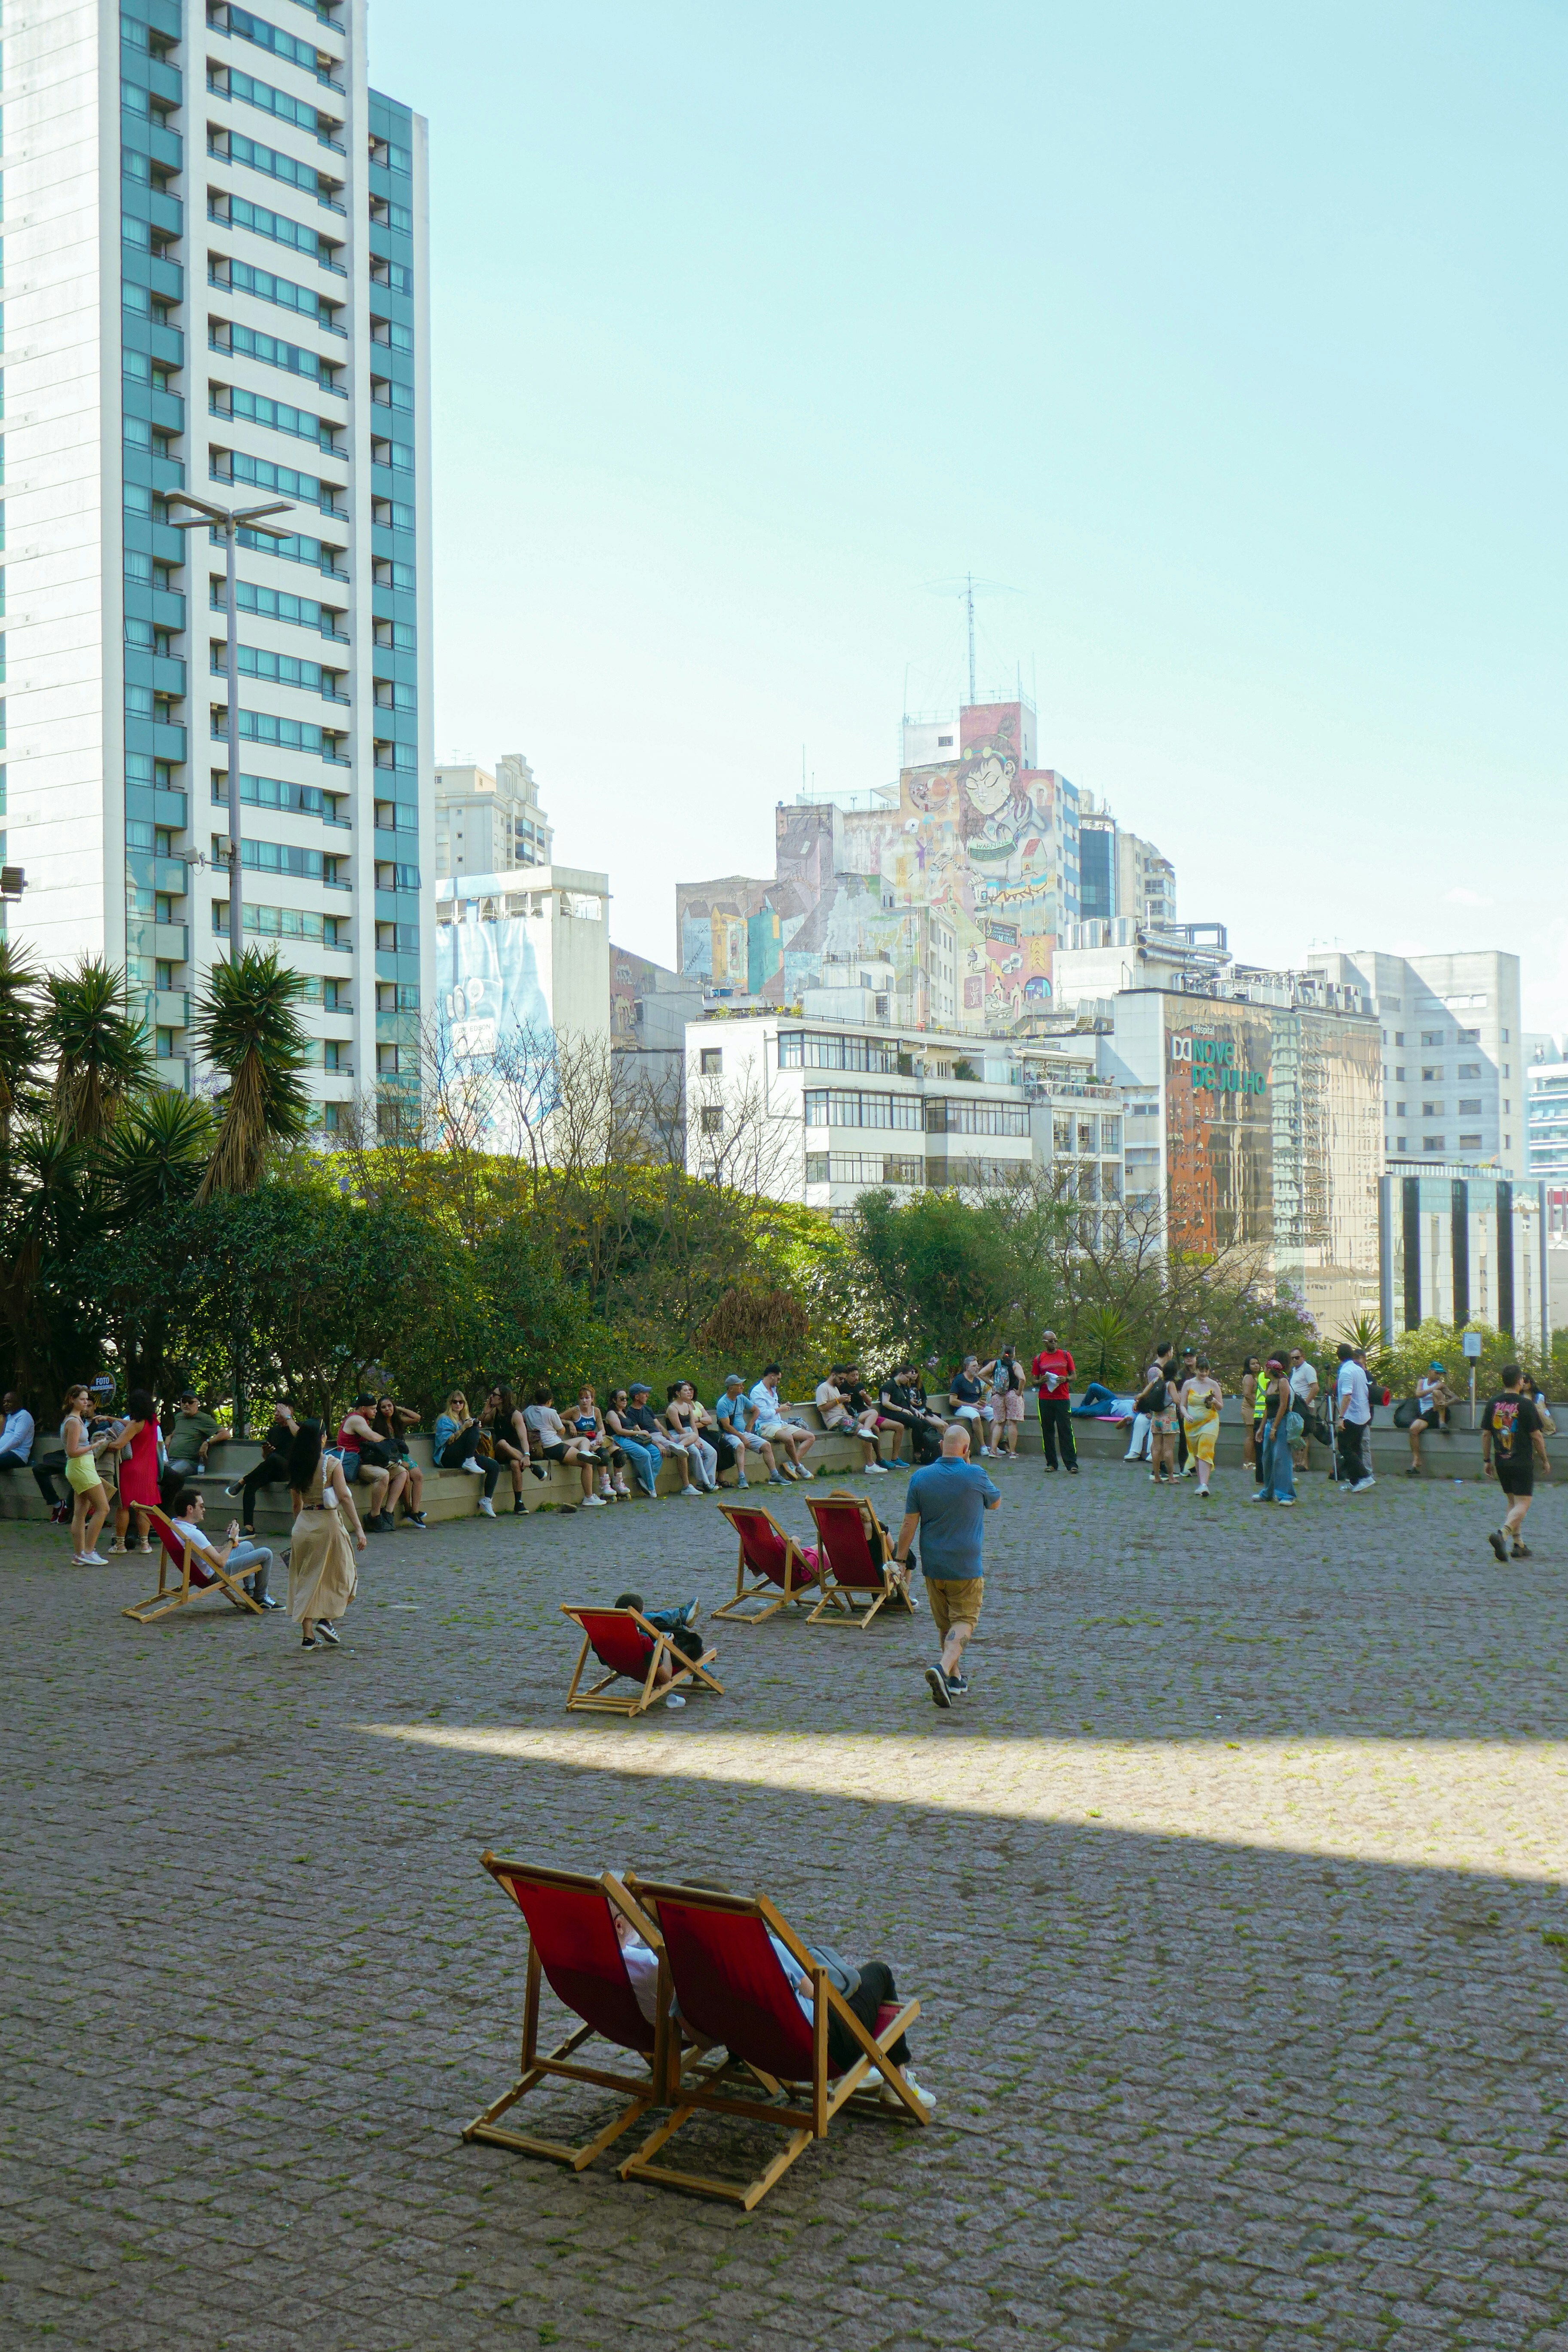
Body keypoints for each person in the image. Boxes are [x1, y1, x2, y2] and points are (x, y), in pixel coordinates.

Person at [893, 1423, 1000, 1709]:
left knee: (945, 1624)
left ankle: (955, 1679)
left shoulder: (920, 1477)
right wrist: (970, 1466)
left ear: (941, 1445)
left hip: (933, 1566)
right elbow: (996, 1503)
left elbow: (908, 1524)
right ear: (966, 1450)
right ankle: (942, 1669)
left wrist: (901, 1561)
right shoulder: (975, 1474)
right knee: (965, 1620)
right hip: (965, 1565)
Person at [286, 1418, 366, 1651]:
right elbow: (345, 1497)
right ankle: (327, 1619)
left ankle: (309, 1635)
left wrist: (300, 1526)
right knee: (344, 1572)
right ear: (322, 1439)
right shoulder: (331, 1464)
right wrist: (359, 1529)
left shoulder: (296, 1465)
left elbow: (295, 1506)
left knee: (307, 1579)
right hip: (327, 1522)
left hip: (303, 1525)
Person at [168, 1486, 278, 1606]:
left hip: (201, 1571)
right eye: (201, 1506)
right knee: (266, 1554)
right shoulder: (194, 1534)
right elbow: (221, 1562)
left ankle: (250, 1592)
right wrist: (231, 1539)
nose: (204, 1510)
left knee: (247, 1546)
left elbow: (205, 1551)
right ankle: (261, 1597)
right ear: (190, 1509)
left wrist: (230, 1540)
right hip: (214, 1575)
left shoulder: (175, 1527)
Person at [1482, 1365, 1549, 1561]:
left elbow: (1486, 1433)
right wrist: (1545, 1460)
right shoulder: (1526, 1404)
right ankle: (1503, 1534)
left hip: (1501, 1461)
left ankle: (1518, 1544)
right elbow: (1537, 1436)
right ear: (1520, 1381)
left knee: (1512, 1501)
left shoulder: (1493, 1403)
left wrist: (1487, 1460)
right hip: (1521, 1462)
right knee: (1523, 1503)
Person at [611, 1589, 703, 1706]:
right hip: (648, 1667)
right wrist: (666, 1647)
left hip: (624, 1665)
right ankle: (679, 1616)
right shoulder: (644, 1641)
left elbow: (610, 1665)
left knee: (657, 1623)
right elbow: (665, 1677)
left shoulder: (602, 1638)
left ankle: (679, 1616)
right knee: (675, 1632)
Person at [223, 1396, 300, 1535]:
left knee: (275, 1459)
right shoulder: (273, 1431)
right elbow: (267, 1458)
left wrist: (289, 1418)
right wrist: (266, 1452)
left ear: (290, 1412)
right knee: (252, 1484)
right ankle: (249, 1527)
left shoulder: (297, 1428)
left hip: (290, 1470)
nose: (276, 1414)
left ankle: (242, 1481)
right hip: (273, 1467)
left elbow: (300, 1437)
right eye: (275, 1411)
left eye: (279, 1411)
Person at [60, 1384, 115, 1564]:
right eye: (82, 1399)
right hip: (81, 1467)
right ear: (72, 1400)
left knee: (81, 1511)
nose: (86, 1403)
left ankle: (79, 1554)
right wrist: (95, 1445)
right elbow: (72, 1451)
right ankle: (89, 1551)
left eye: (87, 1400)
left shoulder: (74, 1420)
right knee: (103, 1508)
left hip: (81, 1467)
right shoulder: (74, 1422)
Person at [334, 1392, 399, 1531]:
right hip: (354, 1463)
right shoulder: (356, 1419)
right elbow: (373, 1438)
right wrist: (394, 1444)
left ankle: (388, 1513)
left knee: (402, 1473)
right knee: (383, 1475)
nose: (376, 1411)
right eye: (373, 1409)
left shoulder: (363, 1419)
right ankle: (374, 1517)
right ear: (363, 1409)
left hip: (364, 1460)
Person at [108, 1387, 162, 1554]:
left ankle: (120, 1545)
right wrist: (112, 1419)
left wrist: (99, 1445)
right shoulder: (152, 1421)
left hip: (131, 1469)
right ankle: (146, 1545)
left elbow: (119, 1444)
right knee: (143, 1507)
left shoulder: (135, 1424)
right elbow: (131, 1426)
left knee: (124, 1507)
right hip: (148, 1470)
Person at [432, 1390, 502, 1516]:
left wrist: (479, 1420)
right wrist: (464, 1428)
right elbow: (448, 1441)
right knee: (472, 1428)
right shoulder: (445, 1419)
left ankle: (487, 1500)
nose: (458, 1405)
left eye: (461, 1402)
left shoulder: (464, 1418)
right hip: (447, 1457)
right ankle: (470, 1461)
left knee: (494, 1466)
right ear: (450, 1403)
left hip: (463, 1456)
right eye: (455, 1402)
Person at [746, 1366, 816, 1479]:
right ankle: (798, 1466)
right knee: (789, 1438)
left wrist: (781, 1406)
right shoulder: (757, 1392)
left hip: (779, 1423)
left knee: (810, 1437)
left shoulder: (773, 1390)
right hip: (765, 1426)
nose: (779, 1382)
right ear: (771, 1376)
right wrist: (780, 1409)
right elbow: (763, 1414)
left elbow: (772, 1408)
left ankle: (791, 1465)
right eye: (778, 1379)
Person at [815, 1365, 888, 1473]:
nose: (842, 1381)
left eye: (844, 1379)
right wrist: (839, 1400)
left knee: (873, 1413)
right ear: (833, 1375)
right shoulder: (823, 1388)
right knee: (864, 1431)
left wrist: (845, 1401)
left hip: (846, 1417)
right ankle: (870, 1465)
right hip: (836, 1421)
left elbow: (840, 1404)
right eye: (841, 1379)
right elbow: (821, 1408)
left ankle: (867, 1432)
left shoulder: (835, 1388)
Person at [713, 1374, 778, 1487]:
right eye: (739, 1386)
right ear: (731, 1388)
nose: (742, 1388)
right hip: (728, 1434)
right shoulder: (723, 1403)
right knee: (740, 1446)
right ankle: (742, 1477)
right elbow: (726, 1426)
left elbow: (756, 1410)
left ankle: (775, 1475)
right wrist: (742, 1437)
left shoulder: (741, 1398)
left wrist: (750, 1425)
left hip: (743, 1432)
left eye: (742, 1385)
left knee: (767, 1445)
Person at [371, 1394, 427, 1526]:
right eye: (383, 1407)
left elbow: (417, 1418)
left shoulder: (398, 1421)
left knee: (418, 1476)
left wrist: (399, 1408)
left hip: (403, 1456)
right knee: (406, 1476)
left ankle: (415, 1511)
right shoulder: (378, 1426)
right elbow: (384, 1449)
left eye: (390, 1406)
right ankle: (408, 1510)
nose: (387, 1409)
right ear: (379, 1410)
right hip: (391, 1458)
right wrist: (401, 1462)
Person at [162, 1392, 230, 1497]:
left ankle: (161, 1509)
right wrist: (170, 1437)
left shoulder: (204, 1419)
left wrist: (207, 1442)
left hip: (188, 1462)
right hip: (170, 1460)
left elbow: (225, 1434)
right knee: (153, 1474)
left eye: (190, 1402)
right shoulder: (179, 1417)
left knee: (169, 1476)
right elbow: (179, 1431)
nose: (187, 1405)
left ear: (197, 1404)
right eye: (184, 1402)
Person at [1251, 1358, 1297, 1506]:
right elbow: (1267, 1408)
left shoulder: (1283, 1382)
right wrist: (1262, 1428)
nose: (1263, 1370)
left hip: (1281, 1423)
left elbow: (1283, 1405)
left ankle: (1286, 1495)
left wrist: (1275, 1427)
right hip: (1269, 1422)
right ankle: (1268, 1492)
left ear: (1270, 1370)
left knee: (1281, 1459)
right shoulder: (1269, 1384)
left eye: (1265, 1368)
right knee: (1268, 1458)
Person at [877, 1364, 944, 1466]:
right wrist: (902, 1410)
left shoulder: (903, 1387)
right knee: (917, 1423)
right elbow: (886, 1403)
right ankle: (917, 1453)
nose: (908, 1380)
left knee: (926, 1424)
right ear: (901, 1374)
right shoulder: (889, 1385)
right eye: (907, 1377)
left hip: (905, 1411)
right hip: (892, 1413)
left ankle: (929, 1452)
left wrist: (915, 1411)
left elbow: (908, 1403)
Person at [1030, 1329, 1078, 1473]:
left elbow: (1074, 1376)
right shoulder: (1039, 1359)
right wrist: (1041, 1381)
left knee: (1066, 1431)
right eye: (1051, 1341)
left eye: (1056, 1340)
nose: (1054, 1343)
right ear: (1045, 1343)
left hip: (1062, 1398)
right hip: (1045, 1399)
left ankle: (1072, 1464)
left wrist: (1066, 1379)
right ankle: (1051, 1463)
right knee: (1047, 1431)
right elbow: (1033, 1381)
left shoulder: (1065, 1355)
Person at [605, 1387, 665, 1499]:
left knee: (657, 1454)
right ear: (614, 1400)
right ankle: (652, 1488)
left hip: (635, 1438)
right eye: (622, 1398)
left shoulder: (625, 1413)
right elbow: (619, 1431)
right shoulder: (612, 1414)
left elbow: (636, 1427)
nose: (625, 1401)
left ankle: (646, 1481)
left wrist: (647, 1437)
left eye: (626, 1398)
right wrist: (637, 1432)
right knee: (645, 1455)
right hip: (621, 1439)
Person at [1177, 1357, 1223, 1498]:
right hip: (1192, 1425)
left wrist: (1214, 1401)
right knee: (1197, 1454)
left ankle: (1204, 1485)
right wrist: (1186, 1415)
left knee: (1206, 1449)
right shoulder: (1188, 1384)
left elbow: (1220, 1407)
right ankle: (1201, 1483)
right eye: (1201, 1371)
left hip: (1210, 1422)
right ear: (1196, 1370)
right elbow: (1182, 1405)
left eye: (1206, 1371)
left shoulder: (1213, 1384)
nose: (1203, 1374)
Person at [570, 1386, 626, 1501]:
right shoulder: (575, 1411)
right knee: (604, 1454)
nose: (584, 1401)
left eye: (587, 1398)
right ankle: (604, 1485)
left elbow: (602, 1429)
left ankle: (618, 1483)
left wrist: (600, 1433)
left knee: (620, 1454)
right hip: (584, 1442)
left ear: (592, 1399)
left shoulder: (596, 1411)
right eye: (582, 1398)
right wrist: (569, 1423)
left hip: (597, 1439)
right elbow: (558, 1418)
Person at [665, 1382, 720, 1493]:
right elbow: (679, 1428)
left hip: (691, 1435)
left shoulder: (689, 1406)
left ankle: (709, 1481)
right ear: (678, 1393)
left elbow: (693, 1426)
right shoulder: (672, 1408)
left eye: (689, 1390)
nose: (689, 1392)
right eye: (686, 1390)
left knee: (712, 1452)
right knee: (696, 1452)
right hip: (678, 1435)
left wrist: (697, 1439)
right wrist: (693, 1441)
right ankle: (706, 1484)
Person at [1135, 1346, 1178, 1486]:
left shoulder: (1156, 1381)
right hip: (1169, 1417)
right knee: (1168, 1450)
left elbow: (1144, 1394)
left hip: (1156, 1417)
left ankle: (1157, 1476)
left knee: (1156, 1448)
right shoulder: (1170, 1384)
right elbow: (1177, 1400)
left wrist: (1138, 1401)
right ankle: (1171, 1477)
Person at [1333, 1342, 1374, 1491]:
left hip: (1352, 1416)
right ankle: (1355, 1481)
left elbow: (1347, 1396)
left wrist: (1341, 1417)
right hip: (1364, 1415)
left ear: (1339, 1357)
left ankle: (1365, 1477)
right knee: (1356, 1447)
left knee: (1344, 1447)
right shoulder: (1359, 1369)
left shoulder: (1346, 1372)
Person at [1406, 1361, 1455, 1476]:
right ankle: (1416, 1460)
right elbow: (1418, 1394)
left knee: (1437, 1392)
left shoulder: (1441, 1385)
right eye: (1436, 1373)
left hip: (1438, 1411)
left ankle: (1442, 1423)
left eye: (1440, 1374)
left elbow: (1456, 1398)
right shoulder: (1422, 1383)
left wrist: (1447, 1403)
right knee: (1414, 1430)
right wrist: (1432, 1389)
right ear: (1430, 1372)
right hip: (1426, 1415)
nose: (1438, 1376)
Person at [947, 1355, 997, 1458]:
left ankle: (993, 1447)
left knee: (996, 1415)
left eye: (977, 1365)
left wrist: (982, 1403)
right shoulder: (959, 1380)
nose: (977, 1368)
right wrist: (972, 1405)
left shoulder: (977, 1381)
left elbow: (978, 1398)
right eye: (974, 1366)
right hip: (961, 1408)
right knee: (976, 1417)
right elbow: (952, 1401)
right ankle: (983, 1447)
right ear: (967, 1367)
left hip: (976, 1406)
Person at [989, 1344, 1026, 1459]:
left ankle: (993, 1451)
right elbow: (1022, 1379)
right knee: (1012, 1423)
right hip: (1012, 1395)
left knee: (999, 1424)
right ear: (1013, 1354)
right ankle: (1013, 1453)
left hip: (998, 1396)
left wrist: (993, 1385)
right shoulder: (1015, 1365)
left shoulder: (995, 1364)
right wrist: (1019, 1392)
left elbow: (981, 1374)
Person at [1287, 1349, 1320, 1473]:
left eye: (1297, 1357)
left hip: (1304, 1406)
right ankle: (1297, 1463)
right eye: (1293, 1358)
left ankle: (1303, 1463)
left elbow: (1315, 1388)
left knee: (1304, 1434)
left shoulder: (1308, 1369)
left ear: (1303, 1357)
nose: (1295, 1360)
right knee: (1296, 1434)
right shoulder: (1295, 1371)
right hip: (1296, 1406)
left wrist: (1305, 1404)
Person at [0, 1391, 36, 1485]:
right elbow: (5, 1436)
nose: (6, 1405)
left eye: (9, 1402)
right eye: (4, 1403)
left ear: (17, 1403)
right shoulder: (9, 1417)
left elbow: (17, 1440)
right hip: (6, 1453)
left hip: (18, 1455)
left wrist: (1, 1451)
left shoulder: (24, 1416)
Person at [1172, 1347, 1197, 1476]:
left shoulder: (1201, 1372)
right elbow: (1177, 1392)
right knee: (1184, 1438)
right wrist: (1182, 1408)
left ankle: (1195, 1466)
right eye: (1186, 1356)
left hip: (1199, 1410)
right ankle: (1184, 1466)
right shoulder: (1181, 1374)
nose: (1189, 1358)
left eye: (1191, 1356)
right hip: (1184, 1410)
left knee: (1197, 1438)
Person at [1239, 1355, 1262, 1482]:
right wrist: (1257, 1406)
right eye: (1253, 1364)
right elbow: (1247, 1394)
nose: (1256, 1366)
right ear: (1248, 1366)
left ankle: (1254, 1461)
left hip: (1255, 1408)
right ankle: (1247, 1462)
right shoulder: (1248, 1378)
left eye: (1257, 1363)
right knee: (1250, 1436)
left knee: (1255, 1436)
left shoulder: (1257, 1377)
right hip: (1250, 1409)